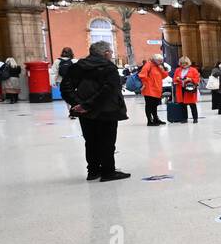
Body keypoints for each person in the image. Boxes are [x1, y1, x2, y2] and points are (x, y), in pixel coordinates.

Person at [59, 41, 129, 182]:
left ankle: (93, 171)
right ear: (106, 53)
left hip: (86, 113)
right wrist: (88, 105)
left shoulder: (78, 66)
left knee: (90, 141)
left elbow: (65, 86)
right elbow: (109, 90)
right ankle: (108, 172)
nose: (111, 54)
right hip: (107, 110)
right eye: (111, 52)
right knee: (107, 141)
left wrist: (78, 104)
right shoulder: (109, 67)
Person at [137, 54, 169, 125]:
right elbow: (142, 75)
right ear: (155, 60)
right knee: (149, 105)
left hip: (157, 89)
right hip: (149, 89)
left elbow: (164, 76)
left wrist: (162, 69)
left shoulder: (158, 66)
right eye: (159, 61)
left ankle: (155, 119)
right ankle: (149, 120)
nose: (161, 62)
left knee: (154, 105)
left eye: (161, 61)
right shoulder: (148, 65)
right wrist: (148, 83)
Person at [173, 56, 201, 123]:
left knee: (192, 104)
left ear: (188, 63)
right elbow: (174, 79)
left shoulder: (193, 70)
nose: (183, 65)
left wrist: (190, 79)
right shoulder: (178, 70)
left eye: (185, 63)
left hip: (189, 89)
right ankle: (184, 119)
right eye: (182, 63)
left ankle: (195, 118)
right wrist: (177, 79)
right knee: (182, 104)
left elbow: (197, 79)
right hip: (180, 88)